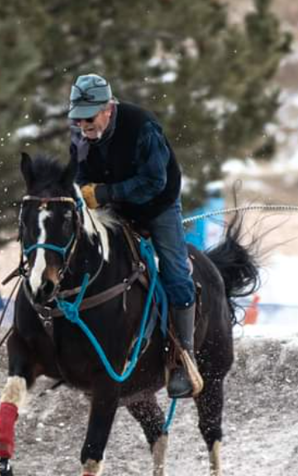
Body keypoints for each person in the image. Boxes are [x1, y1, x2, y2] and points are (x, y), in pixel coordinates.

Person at [67, 73, 201, 398]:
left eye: (89, 116)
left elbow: (154, 181)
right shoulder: (80, 136)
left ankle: (184, 357)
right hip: (112, 206)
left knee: (174, 269)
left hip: (158, 204)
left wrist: (105, 193)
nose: (83, 124)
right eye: (78, 118)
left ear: (109, 108)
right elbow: (80, 175)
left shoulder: (142, 127)